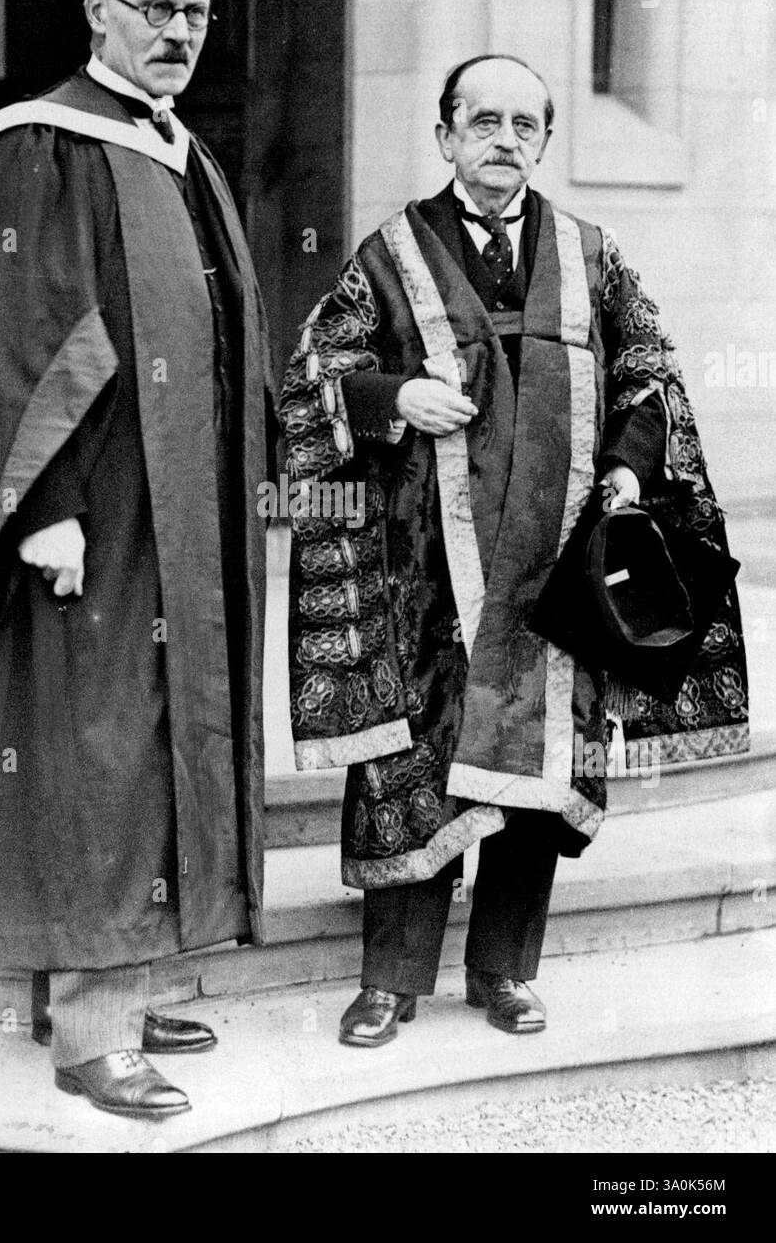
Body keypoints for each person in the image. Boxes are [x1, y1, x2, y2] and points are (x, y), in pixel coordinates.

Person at [279, 54, 747, 1048]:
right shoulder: (389, 253)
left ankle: (504, 969)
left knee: (533, 774)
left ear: (544, 141)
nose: (502, 139)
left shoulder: (592, 254)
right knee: (418, 763)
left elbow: (650, 370)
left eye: (523, 124)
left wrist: (627, 472)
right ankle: (390, 980)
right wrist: (391, 397)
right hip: (423, 573)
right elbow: (316, 375)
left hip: (554, 558)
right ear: (445, 135)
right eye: (480, 120)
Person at [0, 0, 274, 1117]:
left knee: (156, 745)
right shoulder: (41, 147)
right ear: (94, 6)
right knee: (97, 749)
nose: (178, 34)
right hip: (95, 524)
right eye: (153, 8)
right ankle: (91, 1031)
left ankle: (130, 963)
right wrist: (43, 507)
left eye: (196, 14)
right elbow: (12, 340)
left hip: (184, 517)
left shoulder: (176, 148)